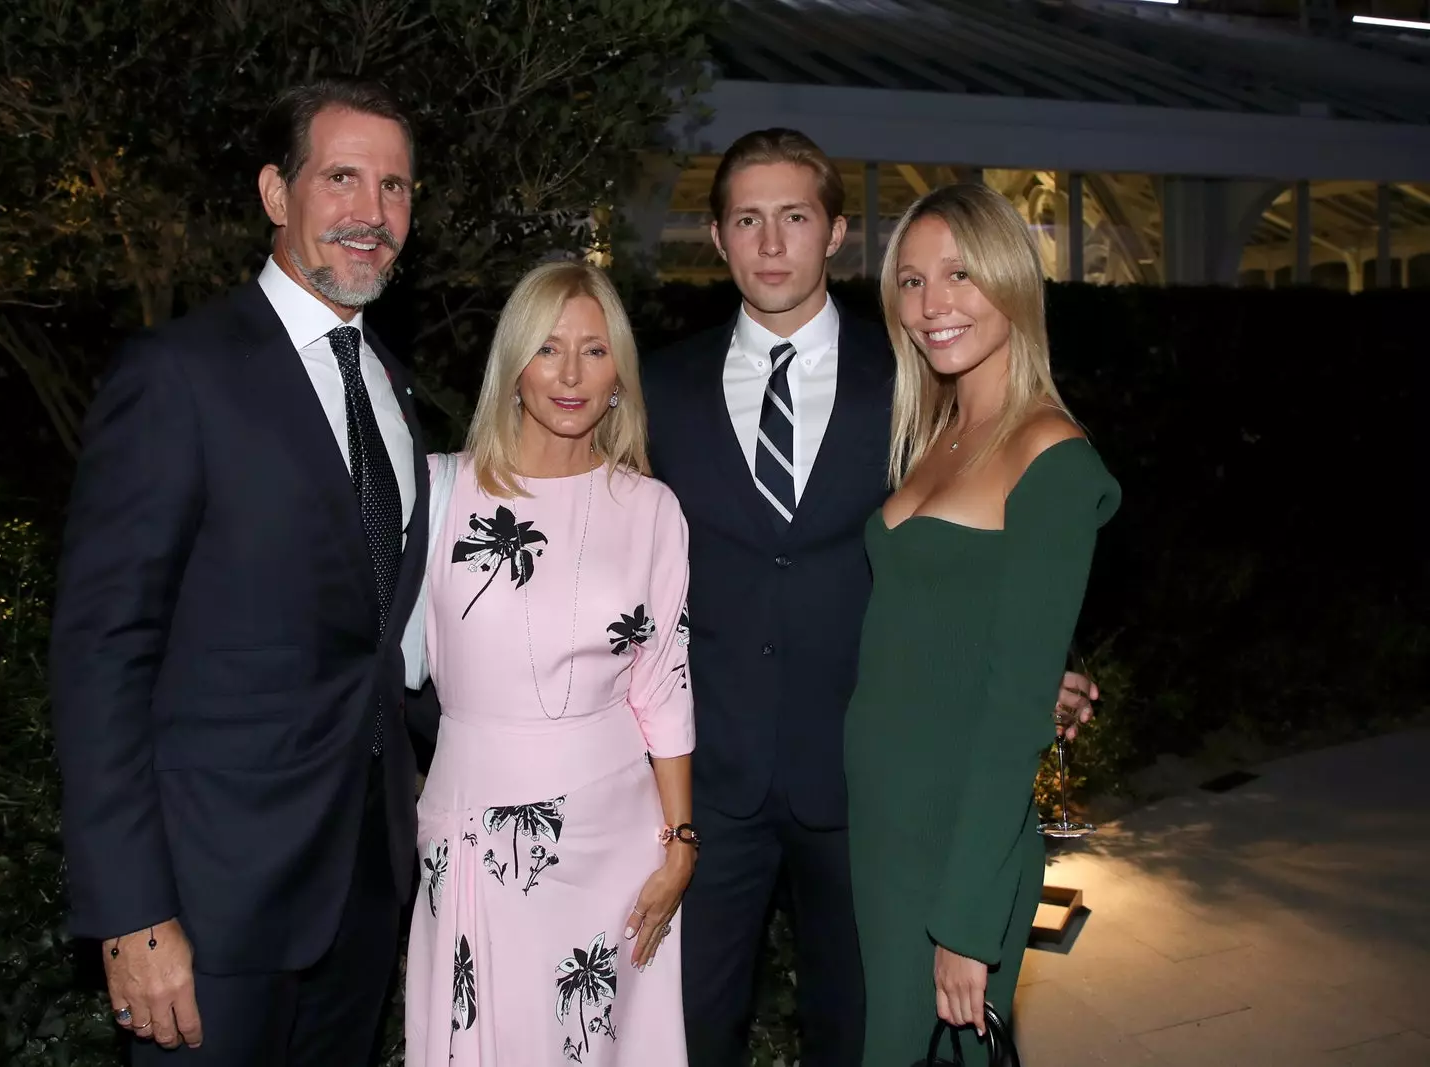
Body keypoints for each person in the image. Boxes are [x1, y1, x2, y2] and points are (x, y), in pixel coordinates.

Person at [641, 129, 1099, 1067]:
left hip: (861, 787)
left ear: (838, 233)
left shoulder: (920, 376)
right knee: (688, 1035)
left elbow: (991, 543)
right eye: (748, 220)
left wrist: (1021, 673)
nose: (772, 243)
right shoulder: (659, 389)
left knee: (867, 1036)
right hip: (709, 780)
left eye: (796, 217)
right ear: (718, 238)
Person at [50, 78, 428, 1065]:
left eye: (394, 187)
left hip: (362, 884)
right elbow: (102, 653)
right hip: (210, 900)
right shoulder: (177, 374)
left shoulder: (391, 381)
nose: (370, 212)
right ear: (275, 192)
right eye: (341, 176)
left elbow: (380, 636)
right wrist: (130, 911)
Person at [845, 182, 1121, 1065]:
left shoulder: (1052, 456)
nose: (934, 305)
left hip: (956, 839)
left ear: (1010, 276)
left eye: (960, 273)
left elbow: (1012, 717)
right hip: (887, 824)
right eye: (913, 282)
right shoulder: (942, 430)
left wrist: (967, 921)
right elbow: (949, 620)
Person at [403, 260, 695, 1066]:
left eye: (594, 351)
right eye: (548, 348)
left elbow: (663, 687)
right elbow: (373, 664)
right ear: (514, 367)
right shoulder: (437, 494)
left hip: (617, 844)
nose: (570, 374)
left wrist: (680, 843)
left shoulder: (652, 511)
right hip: (473, 823)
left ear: (619, 376)